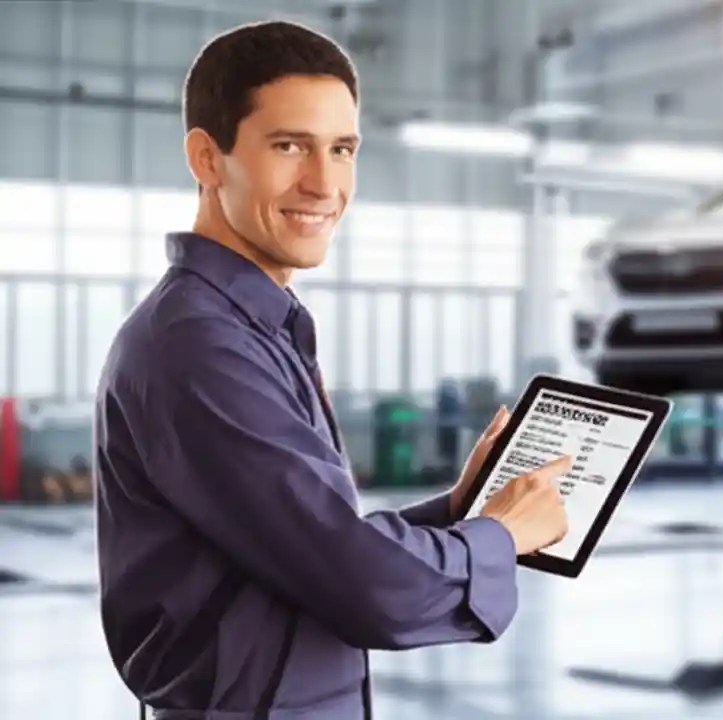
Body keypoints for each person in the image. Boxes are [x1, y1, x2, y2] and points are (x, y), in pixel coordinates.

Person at [92, 20, 570, 719]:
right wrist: (500, 536)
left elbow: (300, 547)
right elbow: (360, 584)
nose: (324, 184)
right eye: (289, 147)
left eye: (342, 150)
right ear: (206, 157)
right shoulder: (199, 346)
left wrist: (462, 514)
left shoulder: (252, 327)